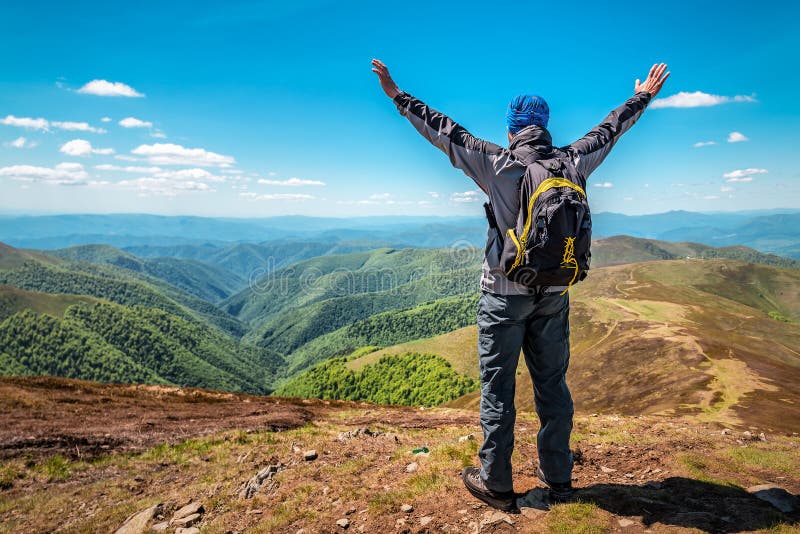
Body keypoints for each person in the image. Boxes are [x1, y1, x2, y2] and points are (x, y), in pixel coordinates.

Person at [371, 59, 669, 510]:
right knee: (553, 386)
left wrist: (396, 95)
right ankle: (560, 480)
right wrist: (642, 95)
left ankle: (496, 481)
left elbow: (442, 129)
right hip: (554, 294)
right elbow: (611, 128)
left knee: (498, 388)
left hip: (503, 294)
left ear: (512, 128)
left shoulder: (496, 163)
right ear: (545, 127)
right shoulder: (572, 160)